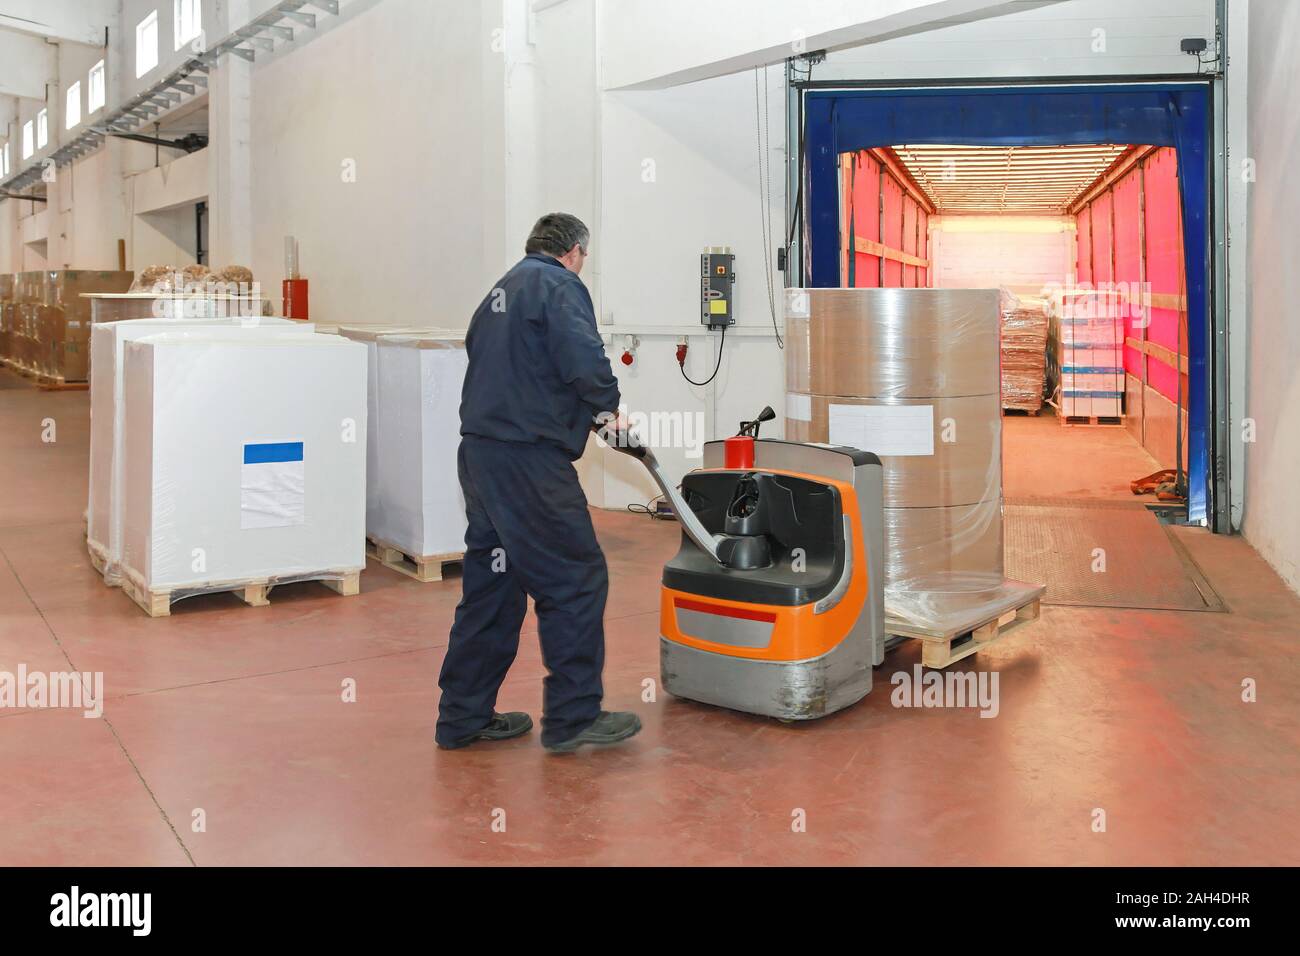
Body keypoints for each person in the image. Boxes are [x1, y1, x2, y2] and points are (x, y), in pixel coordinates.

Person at [435, 213, 643, 754]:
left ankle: (461, 716)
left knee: (494, 588)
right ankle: (574, 717)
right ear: (576, 251)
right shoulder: (559, 285)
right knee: (575, 577)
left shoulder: (500, 291)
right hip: (528, 464)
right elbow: (582, 356)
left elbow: (510, 365)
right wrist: (608, 410)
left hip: (481, 457)